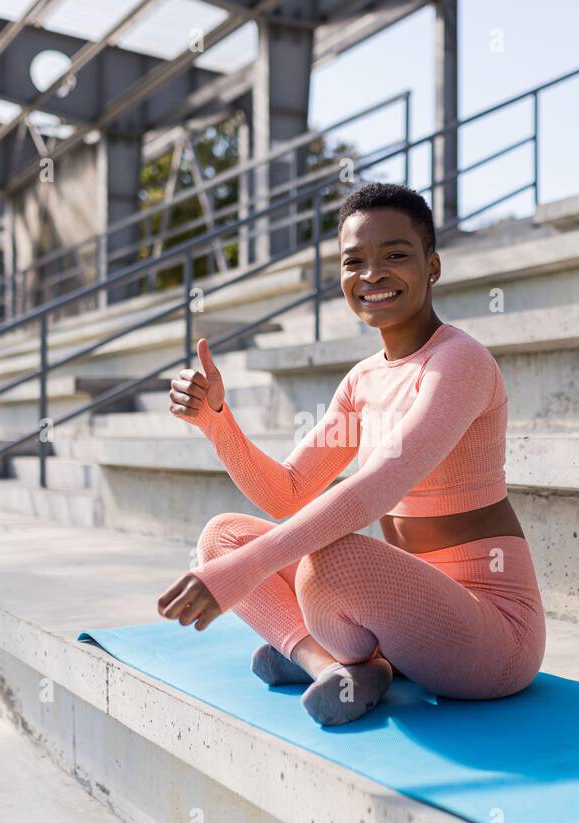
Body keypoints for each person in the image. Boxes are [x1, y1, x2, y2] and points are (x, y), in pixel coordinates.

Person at [158, 181, 546, 726]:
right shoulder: (363, 380)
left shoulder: (460, 362)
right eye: (354, 261)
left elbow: (378, 487)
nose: (372, 275)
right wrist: (216, 423)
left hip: (493, 639)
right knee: (222, 537)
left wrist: (240, 575)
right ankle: (330, 666)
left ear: (432, 266)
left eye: (395, 256)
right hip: (409, 614)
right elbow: (287, 491)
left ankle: (360, 656)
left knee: (329, 559)